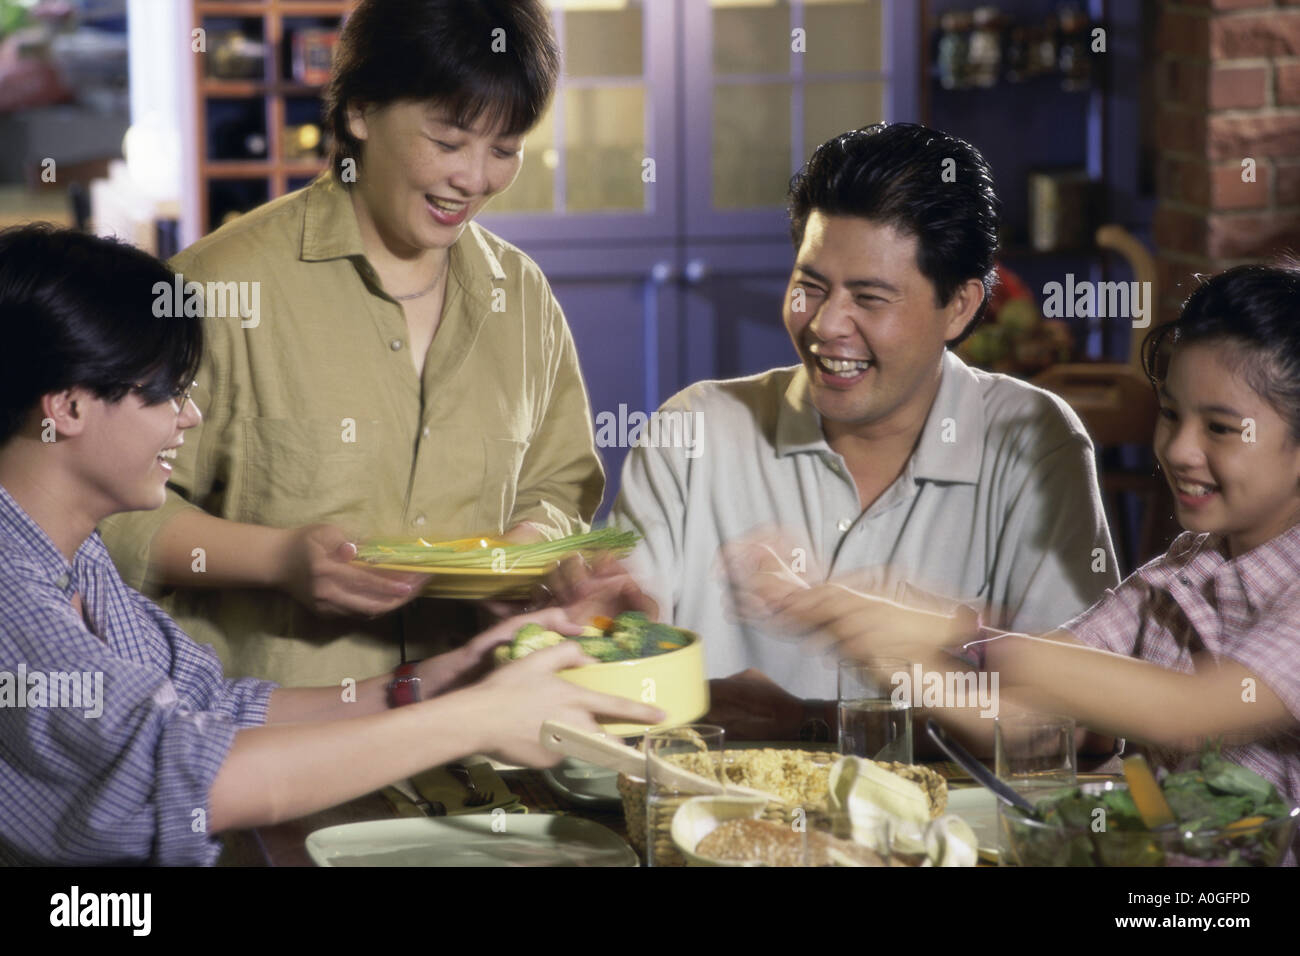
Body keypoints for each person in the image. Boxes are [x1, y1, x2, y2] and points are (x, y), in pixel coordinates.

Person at [0, 225, 661, 866]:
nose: (190, 416)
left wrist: (452, 675)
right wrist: (476, 718)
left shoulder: (72, 559)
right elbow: (195, 778)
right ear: (68, 407)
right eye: (167, 393)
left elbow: (218, 710)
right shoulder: (12, 589)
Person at [98, 0, 605, 687]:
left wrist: (524, 554)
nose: (474, 178)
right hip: (279, 737)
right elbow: (103, 511)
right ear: (361, 111)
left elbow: (558, 485)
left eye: (505, 150)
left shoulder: (521, 296)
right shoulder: (216, 288)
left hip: (479, 726)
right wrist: (277, 560)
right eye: (448, 141)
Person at [738, 264, 1300, 818]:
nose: (1178, 449)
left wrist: (952, 634)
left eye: (1220, 428)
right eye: (1171, 414)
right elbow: (1033, 720)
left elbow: (1190, 713)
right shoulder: (1186, 569)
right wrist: (881, 645)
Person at [611, 123, 1119, 734]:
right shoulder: (692, 433)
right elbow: (620, 655)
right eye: (810, 287)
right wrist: (597, 620)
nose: (826, 325)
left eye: (870, 298)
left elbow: (1082, 722)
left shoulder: (1032, 439)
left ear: (959, 306)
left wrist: (813, 719)